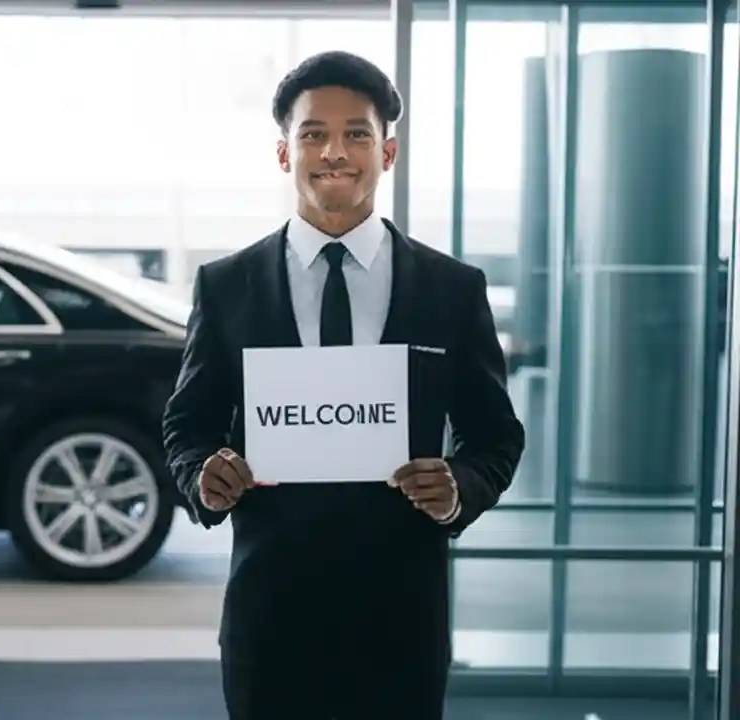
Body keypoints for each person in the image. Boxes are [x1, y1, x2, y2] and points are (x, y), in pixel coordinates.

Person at [161, 51, 525, 720]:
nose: (335, 152)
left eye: (357, 133)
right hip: (270, 619)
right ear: (284, 153)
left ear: (387, 152)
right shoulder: (226, 286)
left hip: (402, 622)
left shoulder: (451, 289)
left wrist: (459, 487)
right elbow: (188, 426)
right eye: (313, 134)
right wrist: (203, 476)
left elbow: (496, 437)